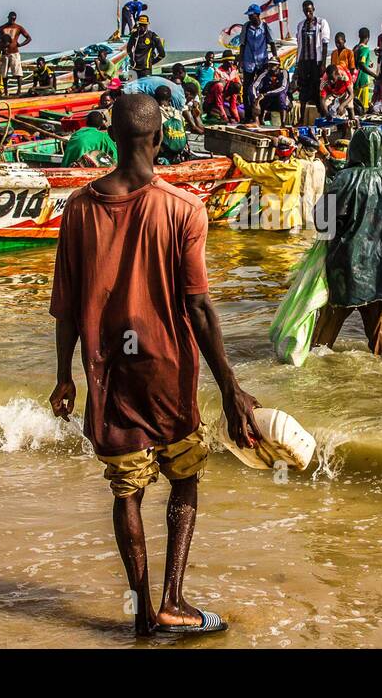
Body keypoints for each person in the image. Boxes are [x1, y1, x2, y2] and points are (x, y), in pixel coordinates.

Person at [49, 92, 258, 637]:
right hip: (168, 371)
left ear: (112, 138)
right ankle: (174, 600)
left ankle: (143, 613)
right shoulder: (184, 208)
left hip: (107, 372)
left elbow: (66, 306)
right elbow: (199, 306)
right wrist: (231, 387)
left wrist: (64, 375)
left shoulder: (78, 209)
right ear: (160, 139)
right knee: (184, 478)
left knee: (127, 490)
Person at [312, 126, 382, 357]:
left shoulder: (343, 179)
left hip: (344, 270)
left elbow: (322, 222)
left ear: (354, 149)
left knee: (318, 346)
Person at [231, 137, 306, 231]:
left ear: (276, 151)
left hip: (274, 222)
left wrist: (236, 157)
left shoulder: (268, 170)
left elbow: (247, 167)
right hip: (293, 220)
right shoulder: (297, 166)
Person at [237, 4, 277, 121]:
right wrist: (240, 61)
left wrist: (275, 58)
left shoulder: (265, 27)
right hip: (249, 61)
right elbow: (242, 45)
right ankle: (248, 116)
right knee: (247, 89)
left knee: (262, 88)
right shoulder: (246, 27)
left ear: (257, 15)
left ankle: (261, 115)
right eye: (249, 15)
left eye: (252, 15)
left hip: (262, 61)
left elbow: (272, 43)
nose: (249, 17)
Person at [294, 0, 330, 122]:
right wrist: (298, 65)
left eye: (309, 10)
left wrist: (323, 64)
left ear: (313, 9)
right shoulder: (301, 25)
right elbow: (299, 46)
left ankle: (322, 116)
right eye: (305, 11)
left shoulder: (321, 23)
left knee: (317, 89)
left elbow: (325, 44)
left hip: (316, 62)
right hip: (304, 62)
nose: (308, 13)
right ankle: (301, 119)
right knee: (303, 90)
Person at [125, 14, 165, 78]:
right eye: (141, 24)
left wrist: (151, 62)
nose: (142, 27)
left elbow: (162, 54)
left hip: (145, 70)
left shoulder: (152, 36)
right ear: (138, 24)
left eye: (144, 25)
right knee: (131, 84)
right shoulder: (134, 35)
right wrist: (132, 59)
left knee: (144, 84)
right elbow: (128, 49)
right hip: (133, 68)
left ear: (147, 25)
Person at [253, 57, 290, 124]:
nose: (272, 66)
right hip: (268, 99)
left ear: (278, 65)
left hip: (282, 100)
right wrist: (256, 97)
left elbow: (283, 87)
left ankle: (283, 123)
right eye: (270, 64)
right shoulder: (265, 73)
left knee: (281, 95)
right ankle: (259, 121)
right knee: (258, 97)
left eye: (274, 64)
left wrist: (267, 93)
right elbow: (254, 86)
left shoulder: (284, 72)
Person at [0, 11, 32, 84]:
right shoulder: (2, 28)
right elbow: (0, 40)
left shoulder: (18, 27)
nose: (12, 20)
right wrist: (0, 51)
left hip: (14, 52)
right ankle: (5, 89)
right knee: (3, 74)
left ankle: (19, 89)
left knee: (18, 73)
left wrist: (20, 44)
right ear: (8, 17)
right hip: (5, 53)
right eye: (11, 18)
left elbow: (28, 38)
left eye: (14, 19)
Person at [353, 27, 376, 114]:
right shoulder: (365, 49)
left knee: (355, 105)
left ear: (359, 36)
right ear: (368, 37)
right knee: (363, 107)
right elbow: (362, 64)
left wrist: (368, 62)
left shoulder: (356, 48)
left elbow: (357, 61)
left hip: (354, 80)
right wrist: (374, 75)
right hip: (362, 81)